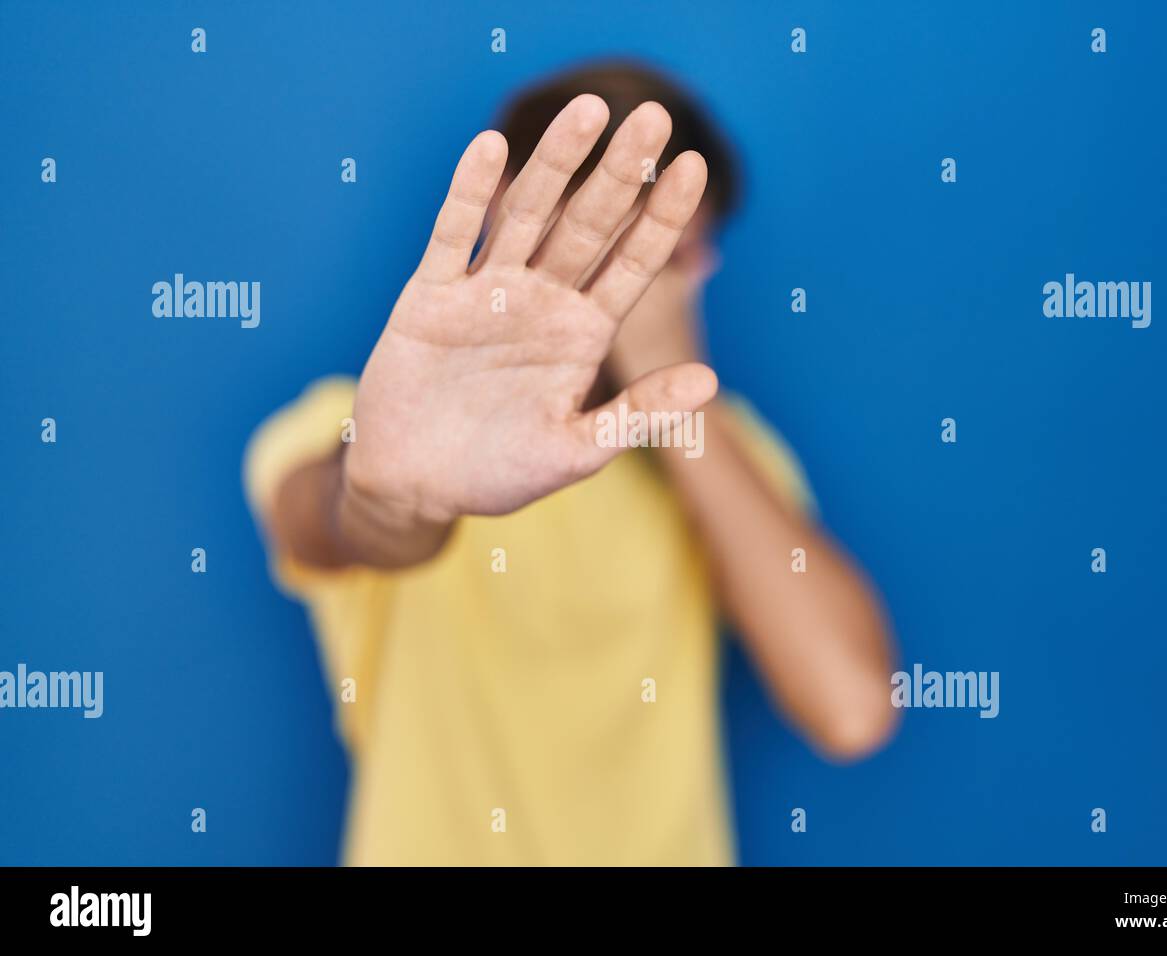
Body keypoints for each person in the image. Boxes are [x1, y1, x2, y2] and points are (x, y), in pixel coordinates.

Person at [244, 62, 898, 866]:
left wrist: (679, 406)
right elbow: (340, 519)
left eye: (680, 255)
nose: (650, 283)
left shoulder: (726, 453)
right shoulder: (361, 426)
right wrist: (386, 489)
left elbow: (852, 707)